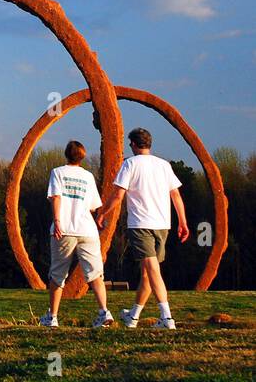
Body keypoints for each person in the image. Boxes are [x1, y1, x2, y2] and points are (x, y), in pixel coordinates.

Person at [97, 127, 189, 329]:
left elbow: (119, 196)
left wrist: (103, 212)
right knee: (148, 272)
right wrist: (182, 222)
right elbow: (175, 195)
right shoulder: (164, 165)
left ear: (134, 144)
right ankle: (134, 316)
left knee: (152, 270)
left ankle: (167, 318)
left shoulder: (130, 164)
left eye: (130, 144)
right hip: (163, 225)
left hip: (141, 225)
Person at [40, 140, 113, 327]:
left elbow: (56, 197)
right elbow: (93, 206)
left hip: (64, 229)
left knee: (57, 274)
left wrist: (57, 221)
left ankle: (53, 317)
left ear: (66, 154)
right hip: (87, 230)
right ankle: (104, 312)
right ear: (82, 156)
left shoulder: (57, 172)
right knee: (95, 273)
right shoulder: (88, 176)